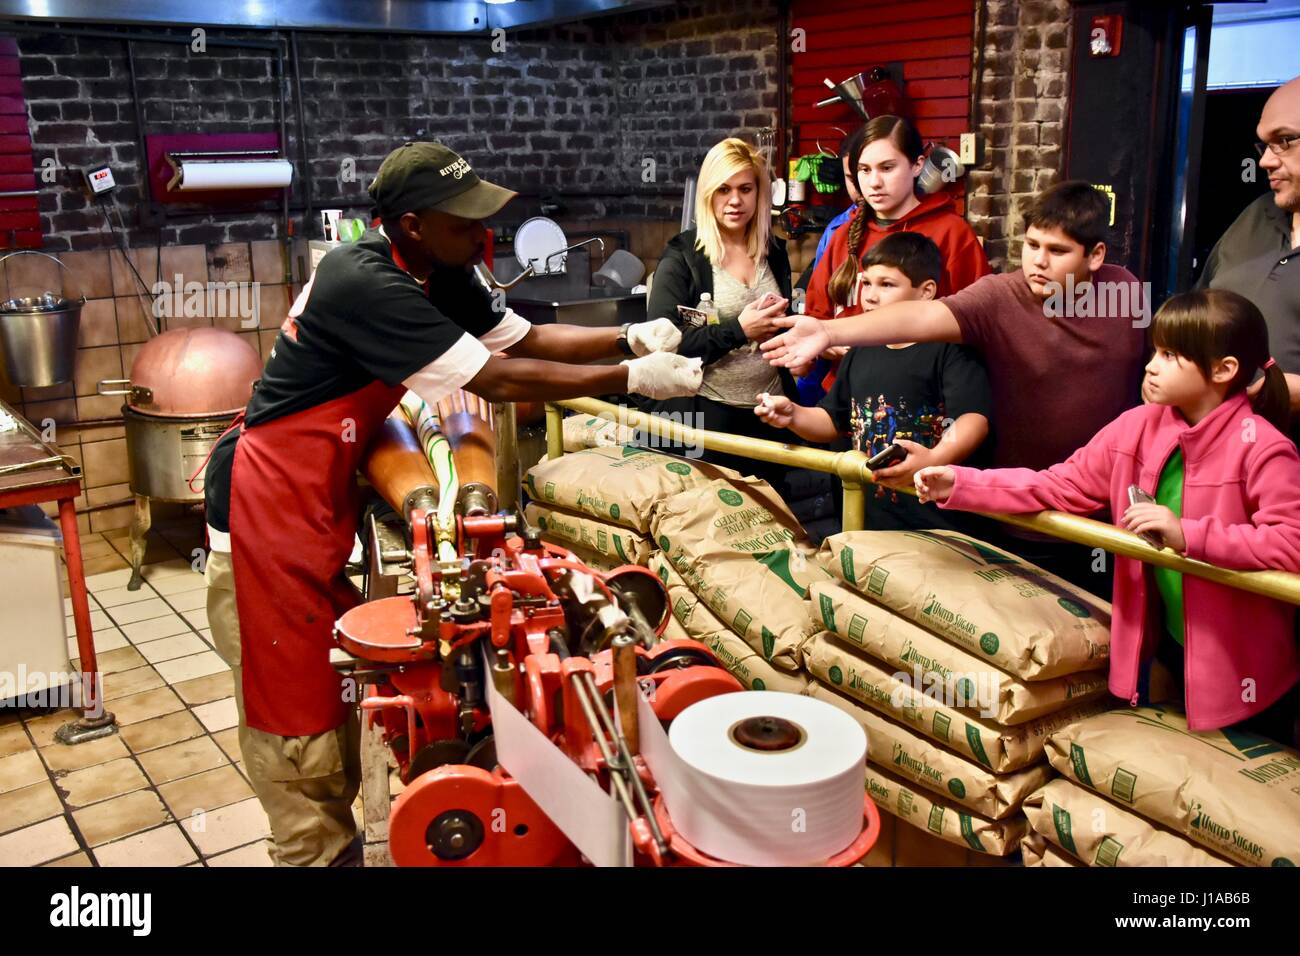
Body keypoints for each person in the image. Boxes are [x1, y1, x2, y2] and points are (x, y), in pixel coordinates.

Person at [202, 141, 701, 867]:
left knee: (327, 689)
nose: (483, 237)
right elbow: (497, 380)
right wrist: (632, 377)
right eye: (466, 222)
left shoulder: (440, 270)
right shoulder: (361, 278)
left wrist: (628, 334)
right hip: (263, 508)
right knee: (294, 712)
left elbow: (528, 337)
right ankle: (314, 853)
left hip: (314, 506)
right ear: (409, 224)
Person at [914, 289, 1300, 743]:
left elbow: (1290, 543)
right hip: (1167, 647)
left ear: (1223, 369)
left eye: (1172, 355)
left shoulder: (1265, 446)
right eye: (1156, 349)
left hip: (1245, 668)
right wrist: (959, 483)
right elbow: (1060, 485)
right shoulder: (1136, 425)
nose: (1152, 365)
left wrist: (1187, 533)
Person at [763, 181, 1149, 595]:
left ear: (1095, 256)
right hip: (1018, 511)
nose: (1038, 261)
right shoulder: (1001, 297)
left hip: (1107, 511)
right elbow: (919, 319)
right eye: (1032, 245)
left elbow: (1152, 375)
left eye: (1057, 251)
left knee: (1110, 632)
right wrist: (826, 329)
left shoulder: (1124, 292)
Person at [754, 232, 990, 532]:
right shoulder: (861, 351)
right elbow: (833, 419)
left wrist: (934, 457)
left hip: (939, 522)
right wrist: (793, 415)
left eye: (887, 285)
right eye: (866, 283)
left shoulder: (951, 349)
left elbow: (973, 419)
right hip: (868, 518)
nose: (870, 295)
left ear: (926, 291)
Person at [643, 137, 796, 483]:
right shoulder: (683, 257)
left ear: (759, 194)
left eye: (745, 188)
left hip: (769, 412)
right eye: (724, 189)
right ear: (708, 193)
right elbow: (662, 344)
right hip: (708, 414)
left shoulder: (774, 252)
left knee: (771, 524)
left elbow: (777, 328)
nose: (735, 201)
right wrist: (739, 330)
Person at [803, 115, 990, 323]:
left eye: (887, 168)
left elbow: (977, 320)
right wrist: (832, 344)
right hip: (848, 356)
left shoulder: (952, 234)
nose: (874, 182)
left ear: (917, 165)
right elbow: (815, 317)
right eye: (865, 170)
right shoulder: (843, 235)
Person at [1196, 76, 1300, 420]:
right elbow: (1198, 304)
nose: (1265, 161)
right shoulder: (1256, 215)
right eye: (1264, 146)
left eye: (1284, 141)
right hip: (1213, 453)